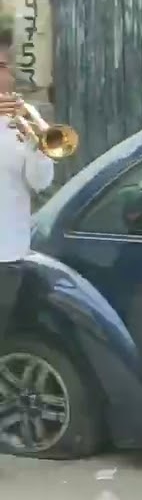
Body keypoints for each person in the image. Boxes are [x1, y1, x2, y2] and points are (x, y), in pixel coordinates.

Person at [0, 29, 55, 343]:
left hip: (8, 256)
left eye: (6, 67)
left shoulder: (20, 126)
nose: (6, 75)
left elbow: (41, 182)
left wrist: (37, 147)